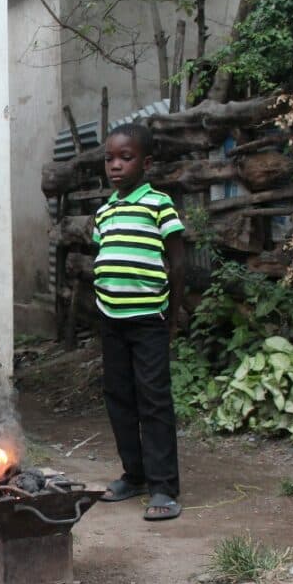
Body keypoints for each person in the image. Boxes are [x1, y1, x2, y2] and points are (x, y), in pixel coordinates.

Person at [93, 123, 185, 521]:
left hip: (150, 318)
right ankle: (134, 475)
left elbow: (178, 261)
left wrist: (174, 313)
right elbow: (105, 256)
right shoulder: (105, 211)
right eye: (110, 158)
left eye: (125, 158)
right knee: (119, 399)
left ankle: (164, 487)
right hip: (111, 319)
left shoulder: (158, 204)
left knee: (154, 400)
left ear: (145, 163)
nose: (116, 166)